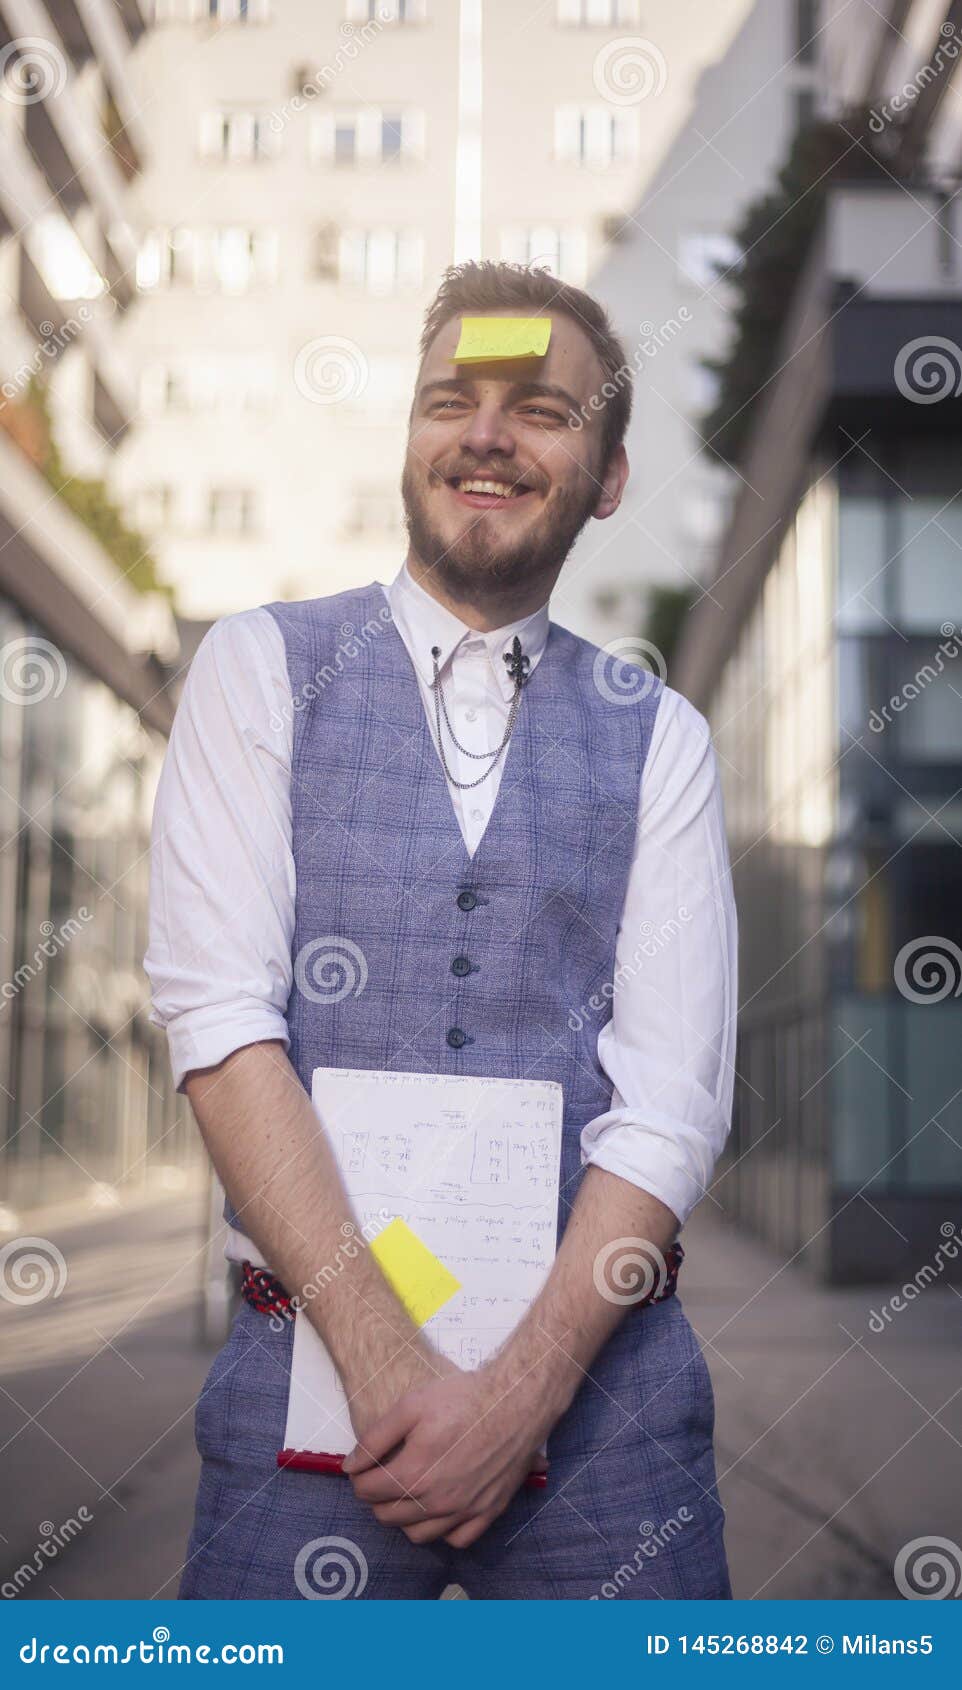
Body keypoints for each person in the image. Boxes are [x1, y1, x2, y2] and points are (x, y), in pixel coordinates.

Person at [145, 260, 738, 1601]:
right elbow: (222, 1026)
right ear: (410, 437)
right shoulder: (255, 669)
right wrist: (386, 1361)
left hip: (608, 1422)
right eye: (449, 400)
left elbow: (669, 1106)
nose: (486, 434)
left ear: (608, 477)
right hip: (303, 1396)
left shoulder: (663, 740)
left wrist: (519, 1396)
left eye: (541, 408)